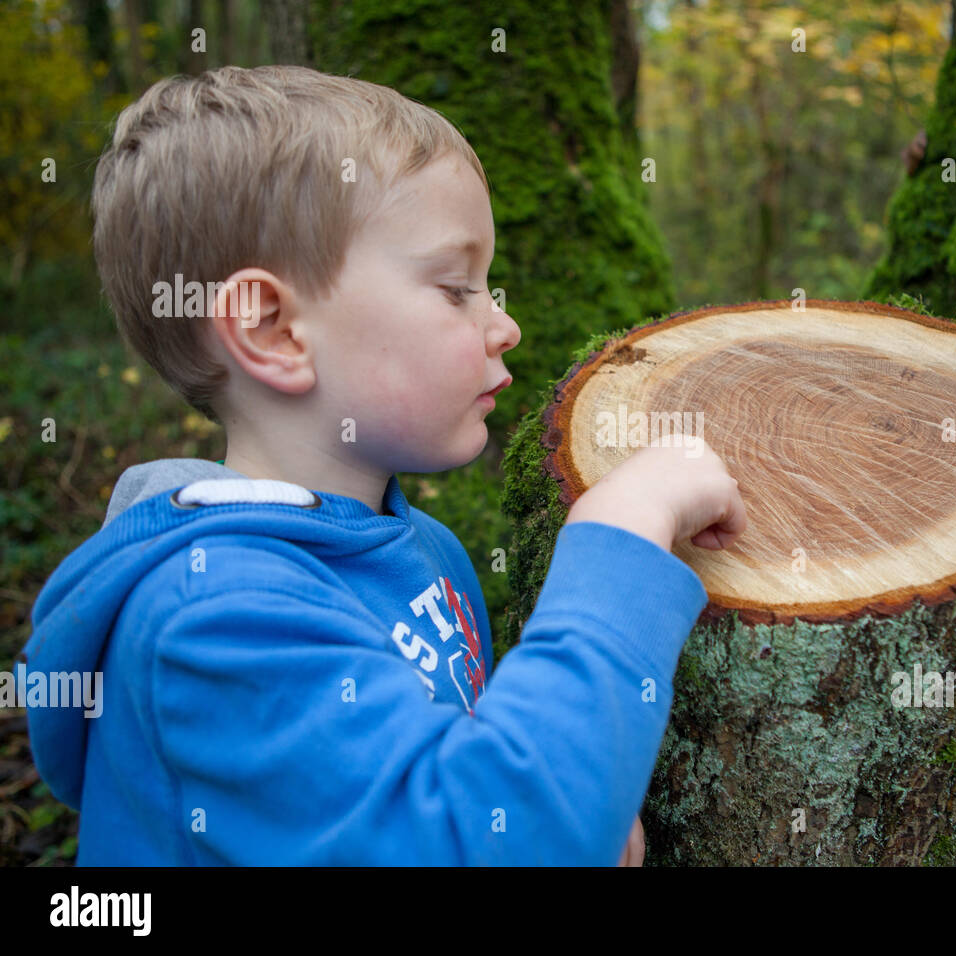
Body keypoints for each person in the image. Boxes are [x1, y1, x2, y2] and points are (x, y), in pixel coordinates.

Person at [23, 65, 746, 865]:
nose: (504, 324)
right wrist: (622, 535)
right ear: (272, 330)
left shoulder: (420, 547)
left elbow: (466, 794)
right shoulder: (211, 623)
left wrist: (579, 795)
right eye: (454, 287)